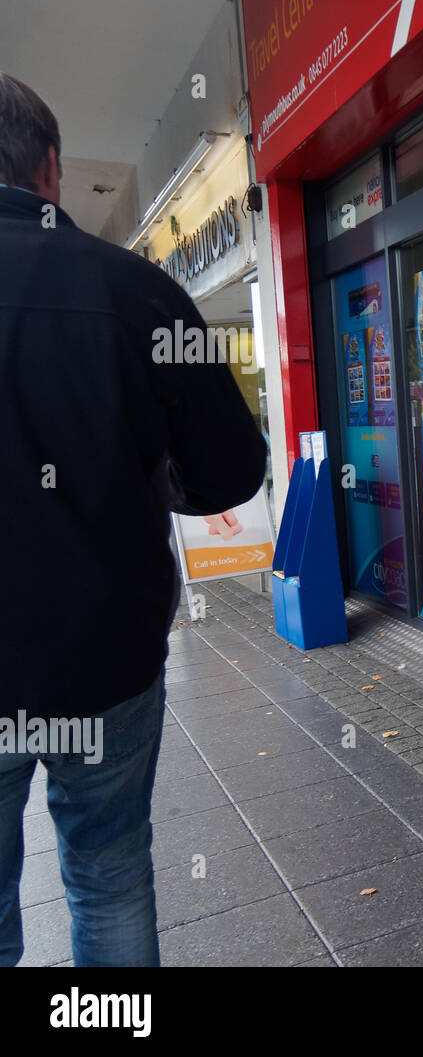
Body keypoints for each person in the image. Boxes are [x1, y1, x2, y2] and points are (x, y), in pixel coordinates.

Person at [0, 75, 267, 965]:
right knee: (109, 876)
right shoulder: (138, 292)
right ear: (51, 170)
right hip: (103, 659)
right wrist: (153, 485)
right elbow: (233, 467)